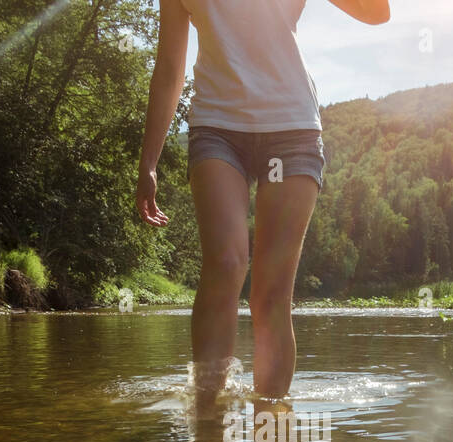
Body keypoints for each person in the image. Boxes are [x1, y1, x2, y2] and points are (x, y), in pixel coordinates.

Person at [135, 0, 390, 412]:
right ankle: (208, 427)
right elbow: (169, 69)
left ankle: (272, 434)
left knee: (270, 295)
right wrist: (148, 161)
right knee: (226, 263)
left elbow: (378, 13)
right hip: (218, 128)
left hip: (291, 129)